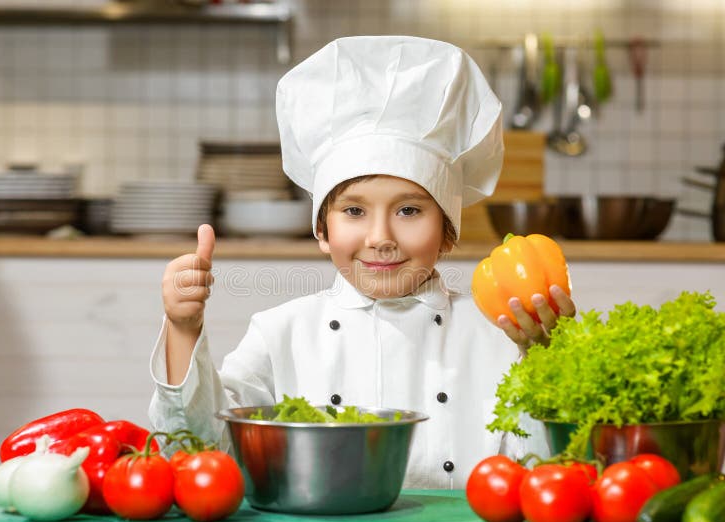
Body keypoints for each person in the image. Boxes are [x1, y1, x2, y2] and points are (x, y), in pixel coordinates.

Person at [148, 35, 576, 489]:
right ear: (321, 229)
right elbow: (200, 450)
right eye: (354, 211)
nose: (381, 238)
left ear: (449, 230)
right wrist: (183, 328)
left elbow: (552, 469)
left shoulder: (499, 333)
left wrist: (551, 362)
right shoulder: (281, 333)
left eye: (409, 211)